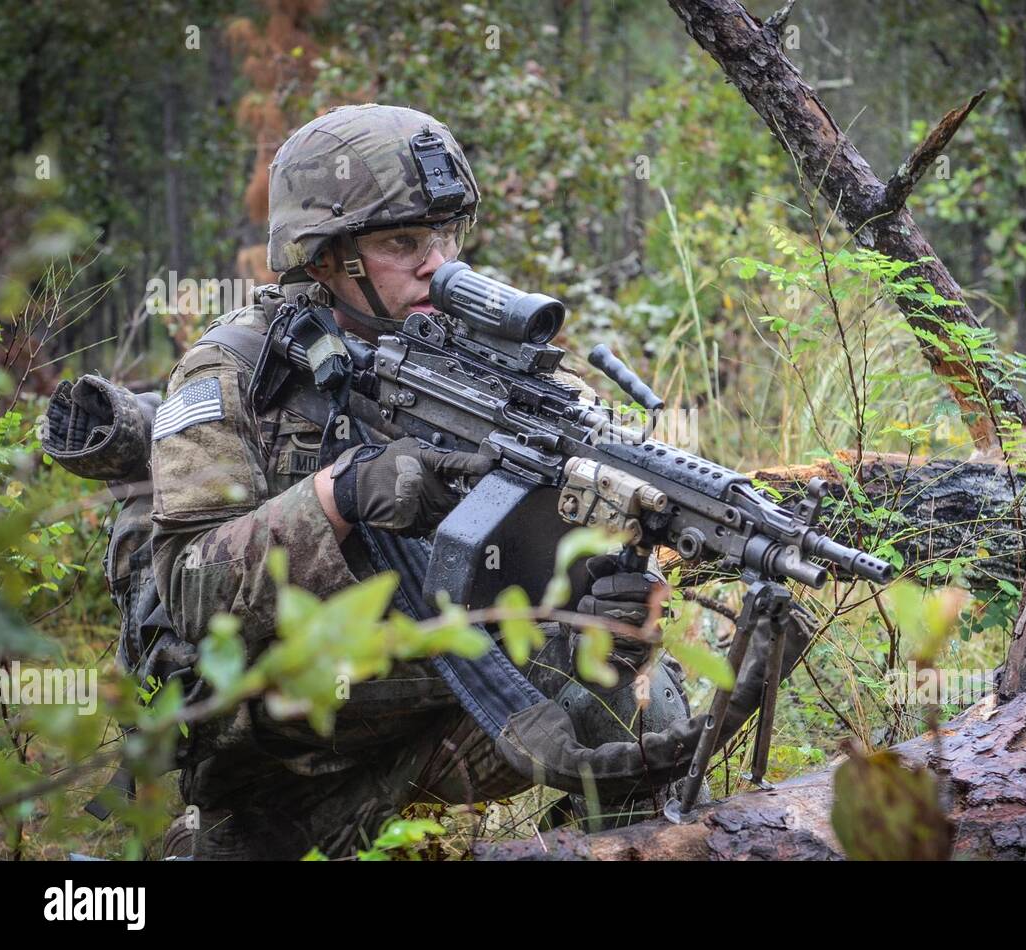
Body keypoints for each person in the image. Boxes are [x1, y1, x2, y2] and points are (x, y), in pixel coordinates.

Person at [152, 104, 692, 860]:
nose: (438, 262)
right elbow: (189, 590)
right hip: (292, 740)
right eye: (404, 241)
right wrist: (341, 495)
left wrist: (597, 595)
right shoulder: (236, 372)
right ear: (322, 256)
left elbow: (551, 553)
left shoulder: (492, 357)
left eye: (447, 234)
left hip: (455, 693)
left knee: (640, 702)